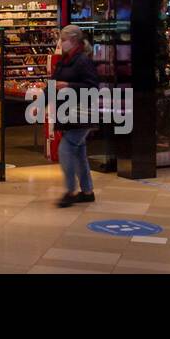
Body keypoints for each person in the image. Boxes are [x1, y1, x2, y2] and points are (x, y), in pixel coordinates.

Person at [53, 24, 99, 208]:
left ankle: (70, 191)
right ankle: (87, 192)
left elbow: (93, 87)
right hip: (69, 114)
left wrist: (69, 86)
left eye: (63, 40)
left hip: (82, 113)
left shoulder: (83, 61)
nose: (60, 43)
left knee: (66, 150)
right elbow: (55, 82)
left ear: (73, 40)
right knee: (79, 153)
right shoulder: (65, 59)